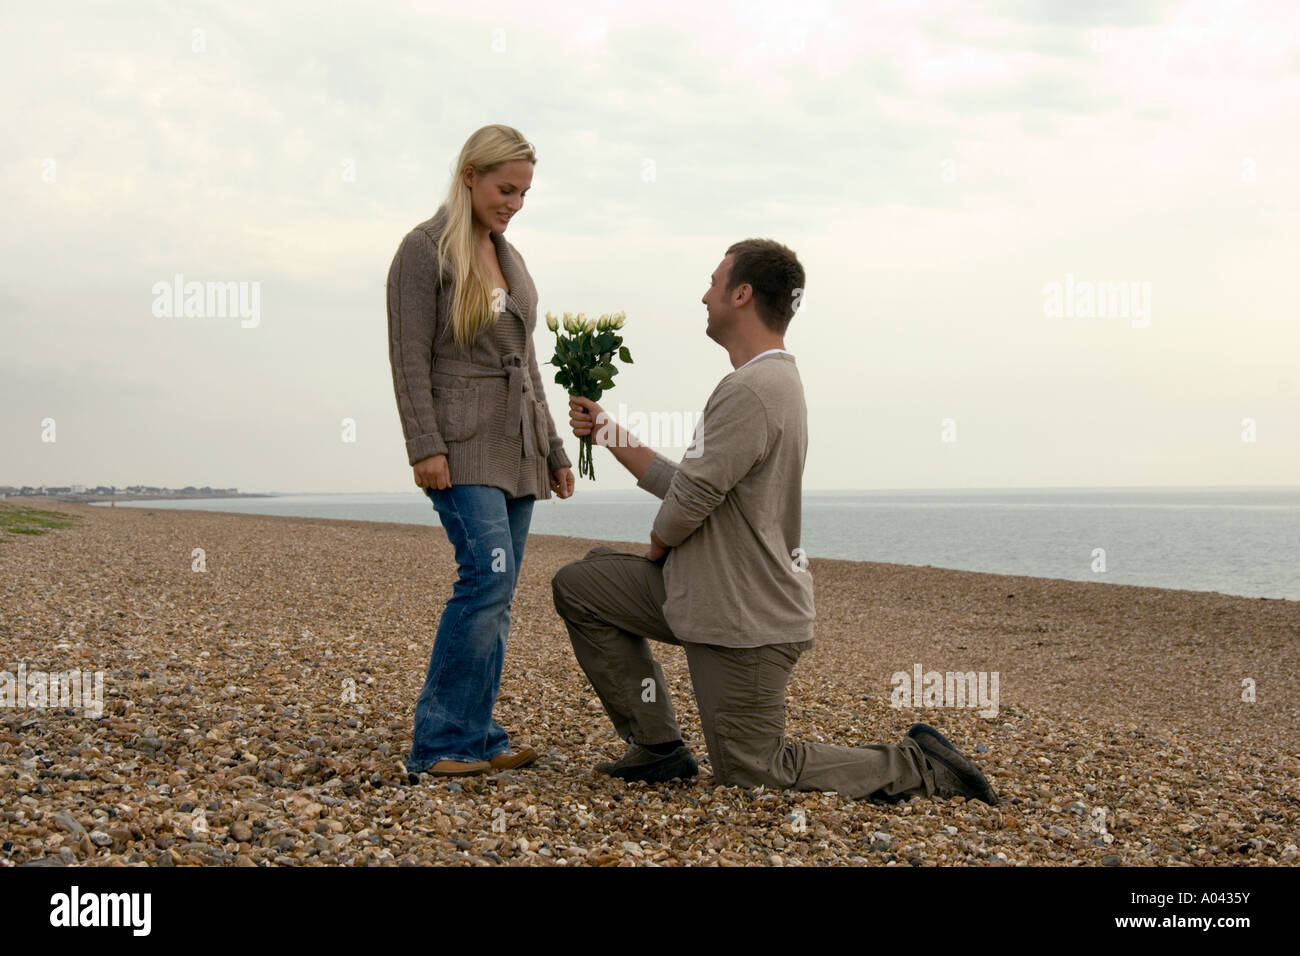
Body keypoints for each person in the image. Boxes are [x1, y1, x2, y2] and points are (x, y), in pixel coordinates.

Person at [551, 240, 998, 805]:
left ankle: (919, 764)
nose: (705, 296)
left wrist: (659, 546)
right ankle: (658, 746)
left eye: (714, 283)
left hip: (744, 618)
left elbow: (686, 505)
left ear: (742, 295)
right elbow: (693, 487)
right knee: (585, 584)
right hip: (708, 593)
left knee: (753, 768)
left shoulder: (753, 390)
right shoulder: (766, 384)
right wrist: (608, 431)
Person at [387, 124, 575, 781]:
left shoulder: (510, 257)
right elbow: (409, 357)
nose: (515, 203)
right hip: (461, 447)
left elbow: (526, 364)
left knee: (500, 591)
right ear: (470, 174)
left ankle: (477, 732)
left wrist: (554, 449)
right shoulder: (422, 250)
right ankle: (438, 743)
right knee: (485, 579)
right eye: (505, 189)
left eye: (524, 193)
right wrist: (425, 445)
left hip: (517, 448)